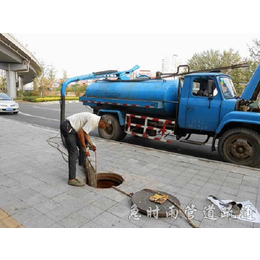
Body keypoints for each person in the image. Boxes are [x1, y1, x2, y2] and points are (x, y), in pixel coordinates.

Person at [60, 112, 111, 187]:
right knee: (74, 152)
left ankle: (82, 162)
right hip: (68, 127)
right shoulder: (94, 121)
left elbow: (86, 133)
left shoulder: (96, 121)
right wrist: (86, 150)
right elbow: (81, 133)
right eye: (105, 126)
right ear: (102, 122)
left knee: (84, 143)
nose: (104, 128)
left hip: (73, 128)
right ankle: (71, 179)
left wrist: (91, 144)